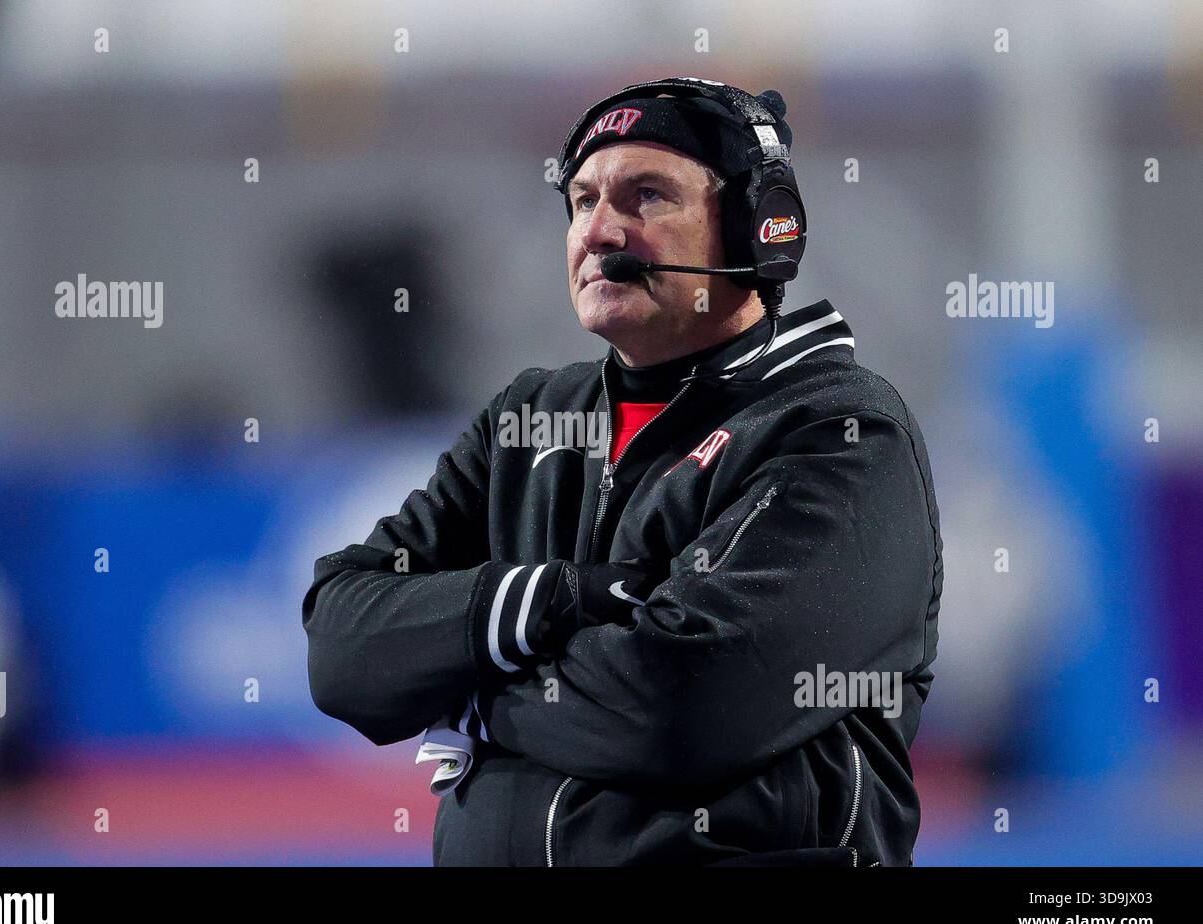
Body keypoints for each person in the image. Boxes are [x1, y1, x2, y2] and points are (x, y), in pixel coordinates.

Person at [303, 77, 943, 866]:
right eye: (582, 201)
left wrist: (465, 690)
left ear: (758, 228)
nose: (600, 231)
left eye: (647, 196)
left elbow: (683, 706)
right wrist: (555, 597)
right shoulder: (528, 418)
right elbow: (342, 650)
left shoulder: (841, 431)